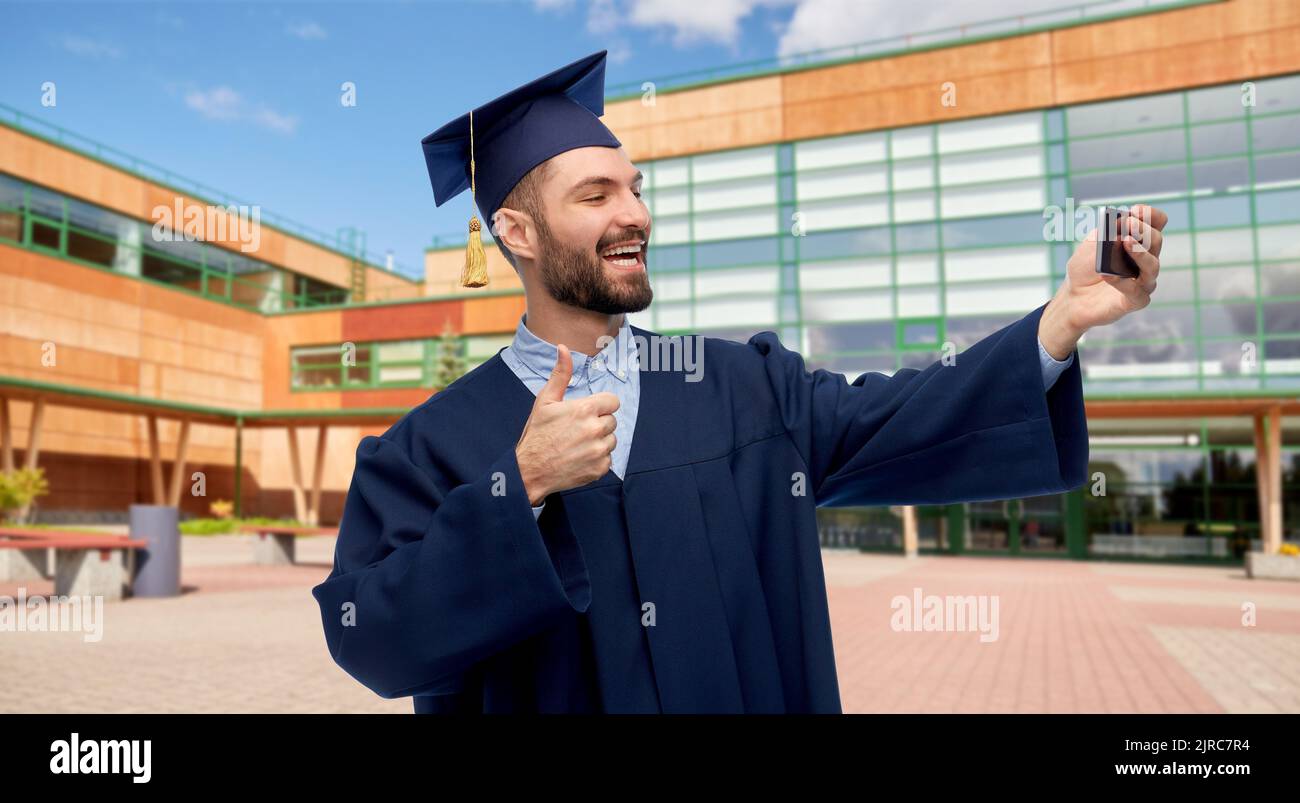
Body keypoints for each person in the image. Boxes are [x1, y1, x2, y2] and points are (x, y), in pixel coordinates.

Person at [311, 50, 1167, 713]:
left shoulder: (745, 389)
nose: (635, 215)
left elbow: (908, 413)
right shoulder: (428, 450)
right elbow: (372, 640)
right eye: (597, 195)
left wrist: (1063, 320)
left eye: (636, 191)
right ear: (516, 232)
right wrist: (520, 486)